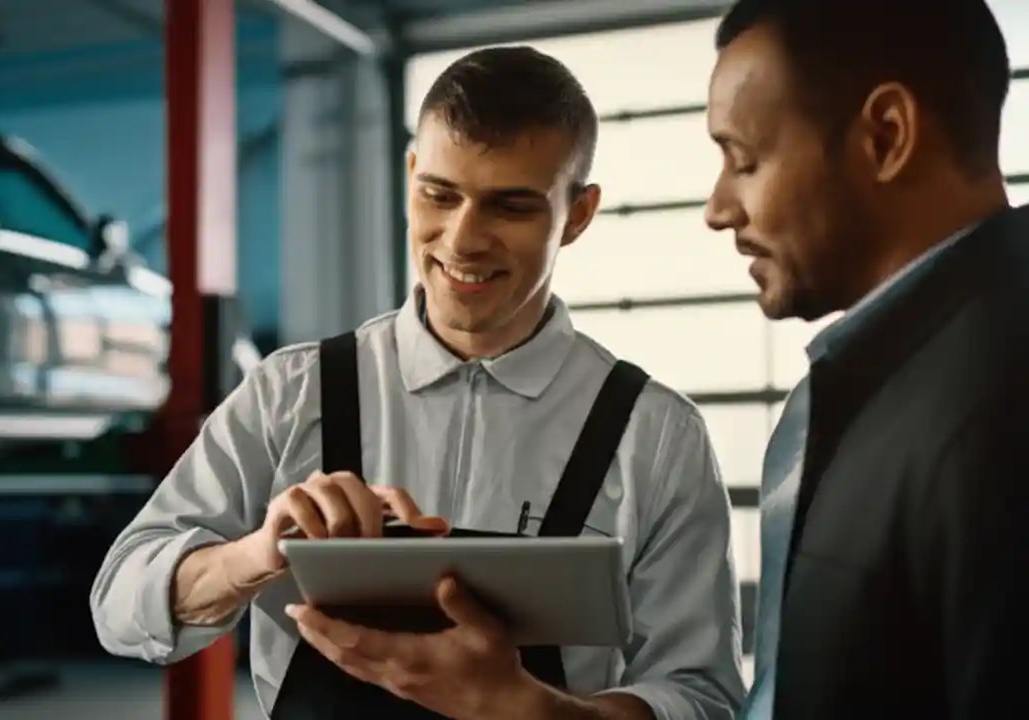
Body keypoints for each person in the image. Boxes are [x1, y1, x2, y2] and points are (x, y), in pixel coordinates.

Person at [92, 46, 743, 720]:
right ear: (409, 176)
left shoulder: (656, 436)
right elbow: (119, 605)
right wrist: (259, 552)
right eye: (439, 194)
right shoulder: (290, 393)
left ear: (577, 214)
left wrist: (524, 709)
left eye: (510, 207)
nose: (462, 240)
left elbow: (702, 698)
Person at [705, 1, 1029, 718]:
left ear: (886, 135)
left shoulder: (995, 405)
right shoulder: (895, 373)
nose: (719, 207)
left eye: (744, 161)